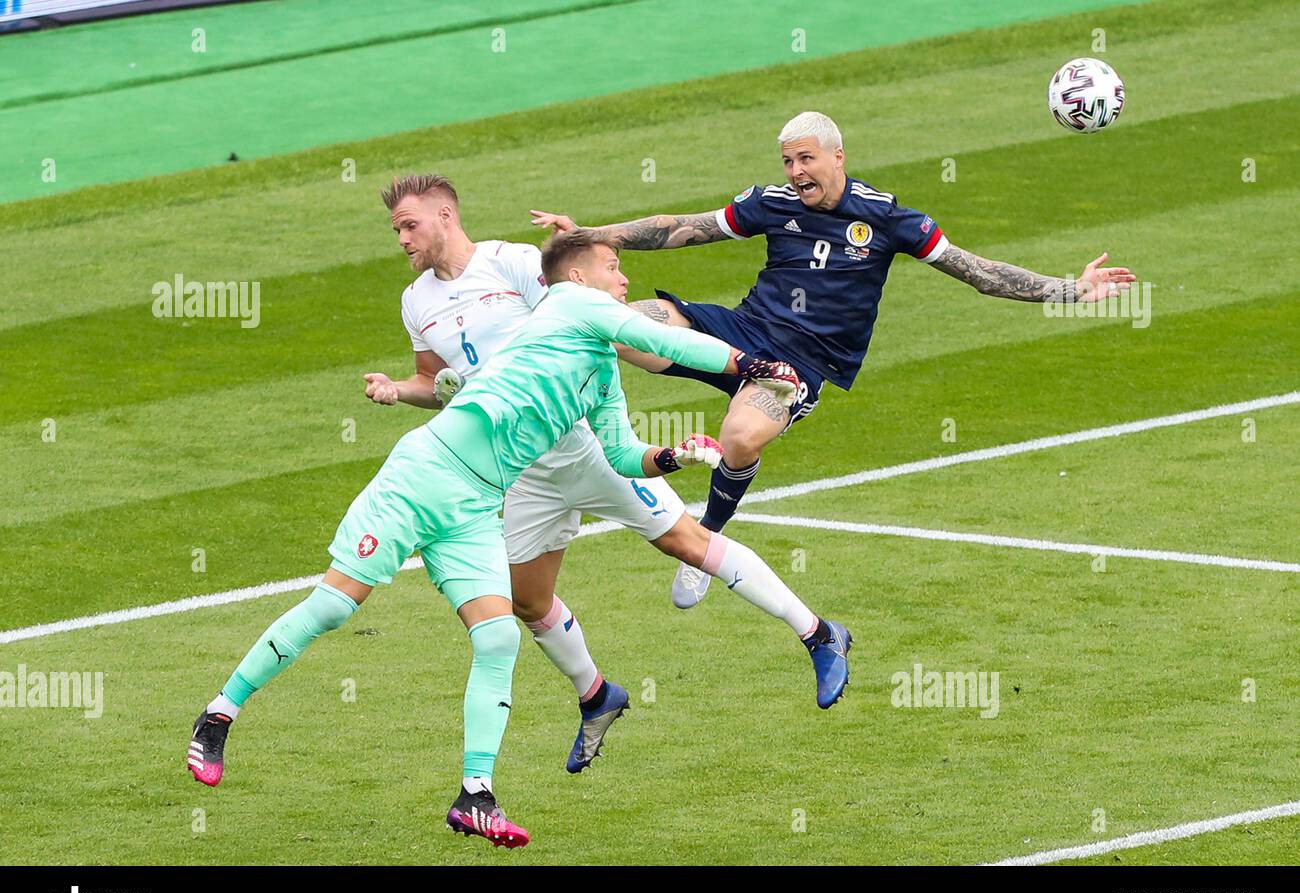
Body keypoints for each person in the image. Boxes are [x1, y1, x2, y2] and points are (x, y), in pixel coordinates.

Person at [185, 215, 812, 849]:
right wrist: (754, 364)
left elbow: (621, 453)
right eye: (612, 266)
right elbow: (678, 346)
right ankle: (218, 715)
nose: (624, 278)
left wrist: (674, 456)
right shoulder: (573, 305)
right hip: (425, 475)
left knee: (496, 640)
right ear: (575, 275)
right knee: (332, 607)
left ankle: (474, 796)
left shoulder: (598, 368)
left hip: (477, 508)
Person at [530, 110, 1136, 608]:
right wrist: (588, 237)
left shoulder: (889, 219)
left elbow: (977, 273)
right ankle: (561, 425)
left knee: (739, 438)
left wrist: (1068, 289)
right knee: (618, 325)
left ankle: (708, 533)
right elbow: (680, 227)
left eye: (806, 159)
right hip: (740, 330)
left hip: (803, 363)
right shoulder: (771, 203)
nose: (796, 172)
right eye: (788, 162)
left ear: (837, 157)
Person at [364, 177, 855, 778]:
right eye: (397, 230)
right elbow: (434, 380)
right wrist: (400, 390)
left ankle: (819, 633)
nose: (402, 239)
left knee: (685, 542)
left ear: (445, 216)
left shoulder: (512, 263)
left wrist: (587, 245)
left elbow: (588, 296)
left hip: (582, 443)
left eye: (409, 225)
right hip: (521, 467)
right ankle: (597, 696)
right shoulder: (416, 300)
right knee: (527, 599)